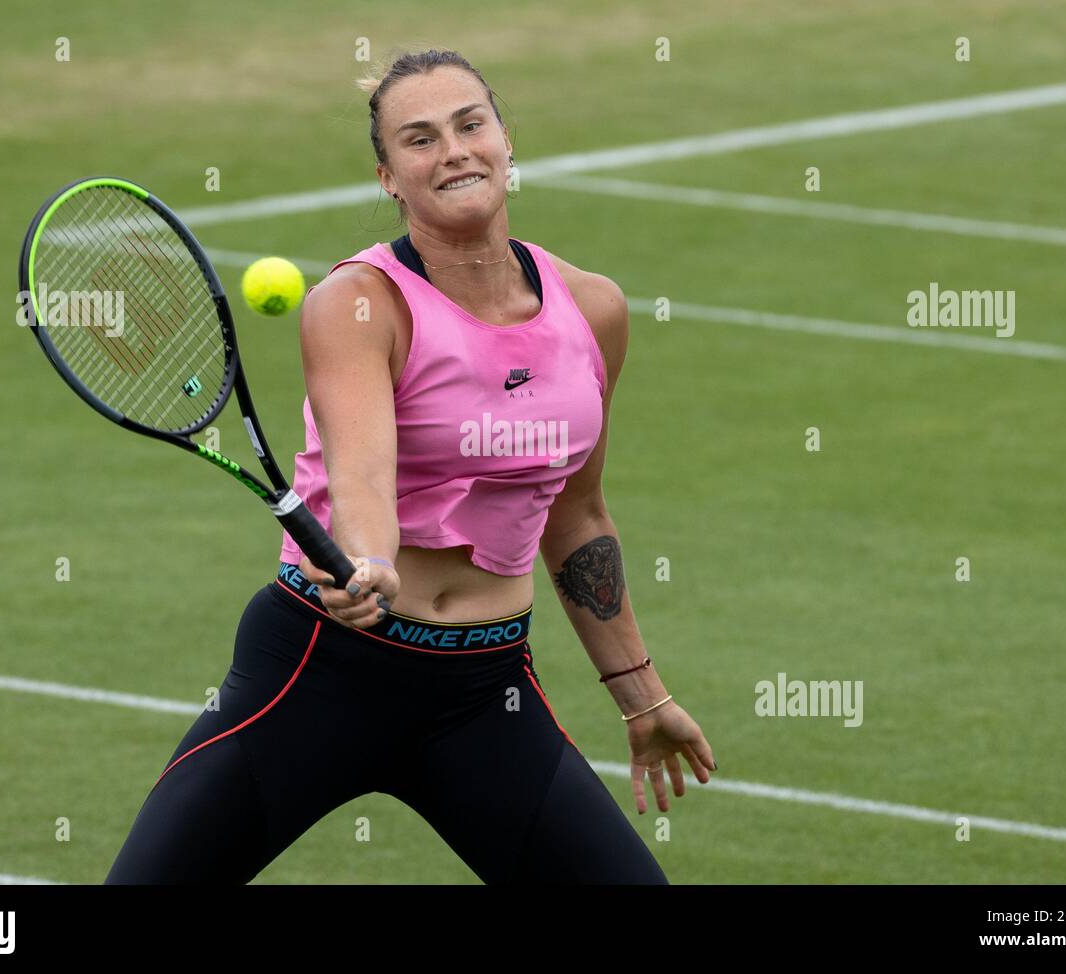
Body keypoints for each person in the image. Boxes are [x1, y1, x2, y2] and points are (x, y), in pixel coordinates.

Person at [105, 48, 717, 885]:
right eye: (421, 139)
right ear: (389, 176)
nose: (455, 150)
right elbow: (360, 475)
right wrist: (371, 563)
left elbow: (576, 516)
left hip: (483, 692)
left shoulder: (593, 309)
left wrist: (641, 695)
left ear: (507, 141)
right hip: (321, 673)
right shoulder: (357, 304)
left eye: (471, 125)